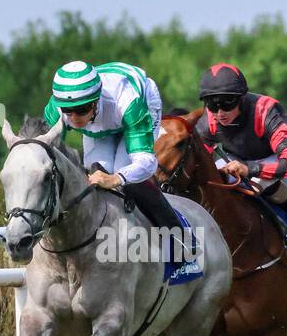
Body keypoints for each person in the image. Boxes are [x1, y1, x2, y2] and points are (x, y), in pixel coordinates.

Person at [42, 60, 188, 267]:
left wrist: (116, 178)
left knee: (127, 177)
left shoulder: (128, 103)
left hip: (140, 102)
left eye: (81, 110)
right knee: (96, 173)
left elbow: (147, 162)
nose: (74, 118)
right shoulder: (56, 109)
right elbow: (45, 154)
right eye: (68, 111)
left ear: (94, 101)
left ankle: (181, 243)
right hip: (101, 120)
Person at [192, 63, 287, 233]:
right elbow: (199, 161)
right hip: (240, 159)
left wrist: (249, 169)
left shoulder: (266, 111)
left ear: (241, 98)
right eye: (212, 104)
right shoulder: (208, 121)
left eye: (227, 103)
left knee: (256, 184)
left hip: (280, 160)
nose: (220, 113)